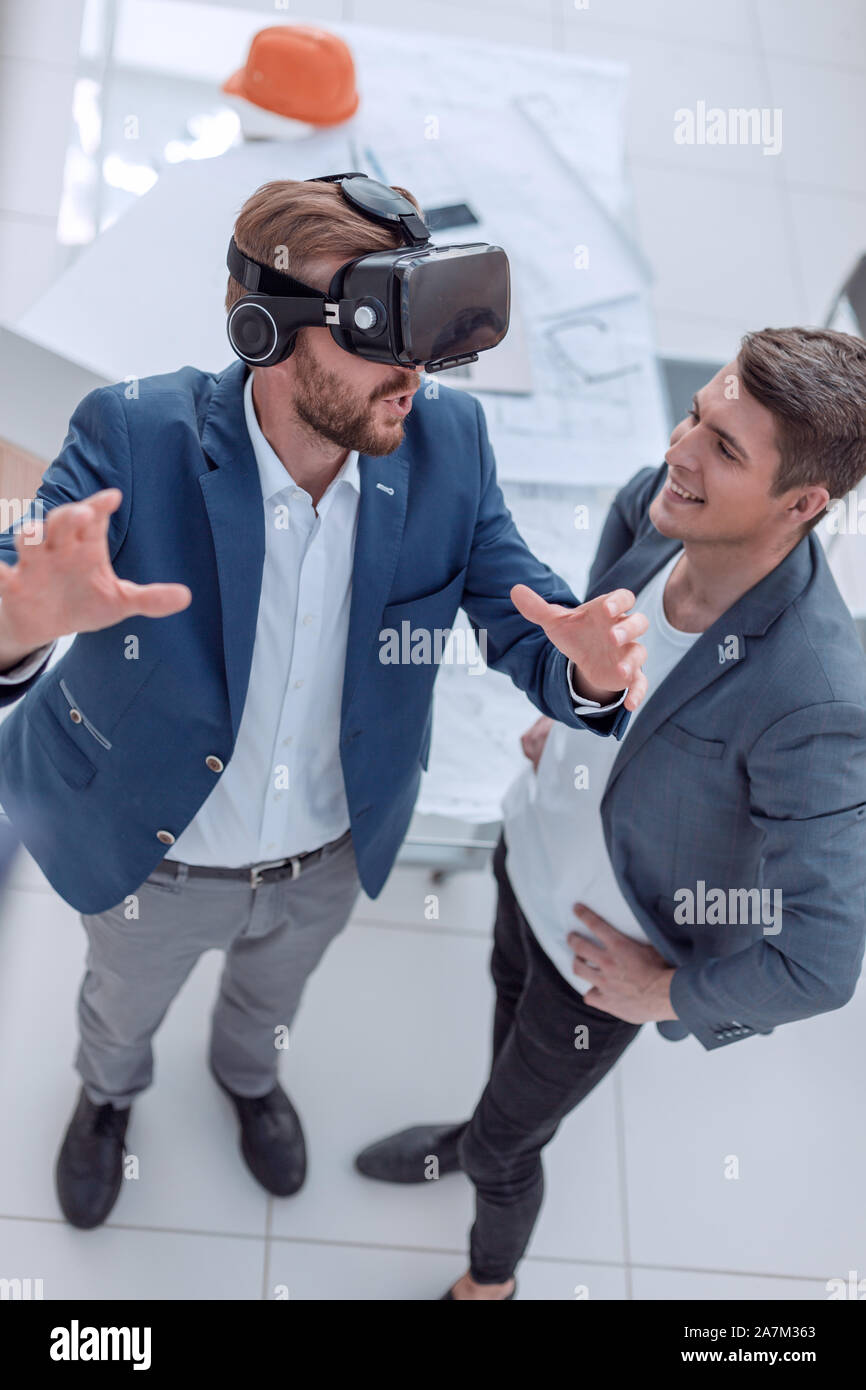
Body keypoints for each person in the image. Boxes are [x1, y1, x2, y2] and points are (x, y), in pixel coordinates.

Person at [0, 176, 649, 1230]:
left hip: (327, 854)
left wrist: (586, 671)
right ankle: (109, 1098)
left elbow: (525, 613)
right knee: (120, 1010)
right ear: (267, 333)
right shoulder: (132, 432)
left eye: (426, 337)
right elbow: (14, 580)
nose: (412, 376)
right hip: (152, 854)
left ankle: (248, 1082)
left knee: (269, 1004)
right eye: (379, 339)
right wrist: (23, 618)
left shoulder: (448, 445)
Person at [355, 327, 866, 1300]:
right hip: (532, 853)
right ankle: (480, 1127)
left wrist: (663, 995)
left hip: (602, 960)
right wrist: (574, 715)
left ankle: (486, 1281)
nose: (679, 452)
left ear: (801, 504)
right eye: (696, 417)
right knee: (501, 1010)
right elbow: (600, 640)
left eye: (724, 449)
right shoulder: (652, 505)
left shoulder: (814, 697)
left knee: (512, 1145)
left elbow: (821, 960)